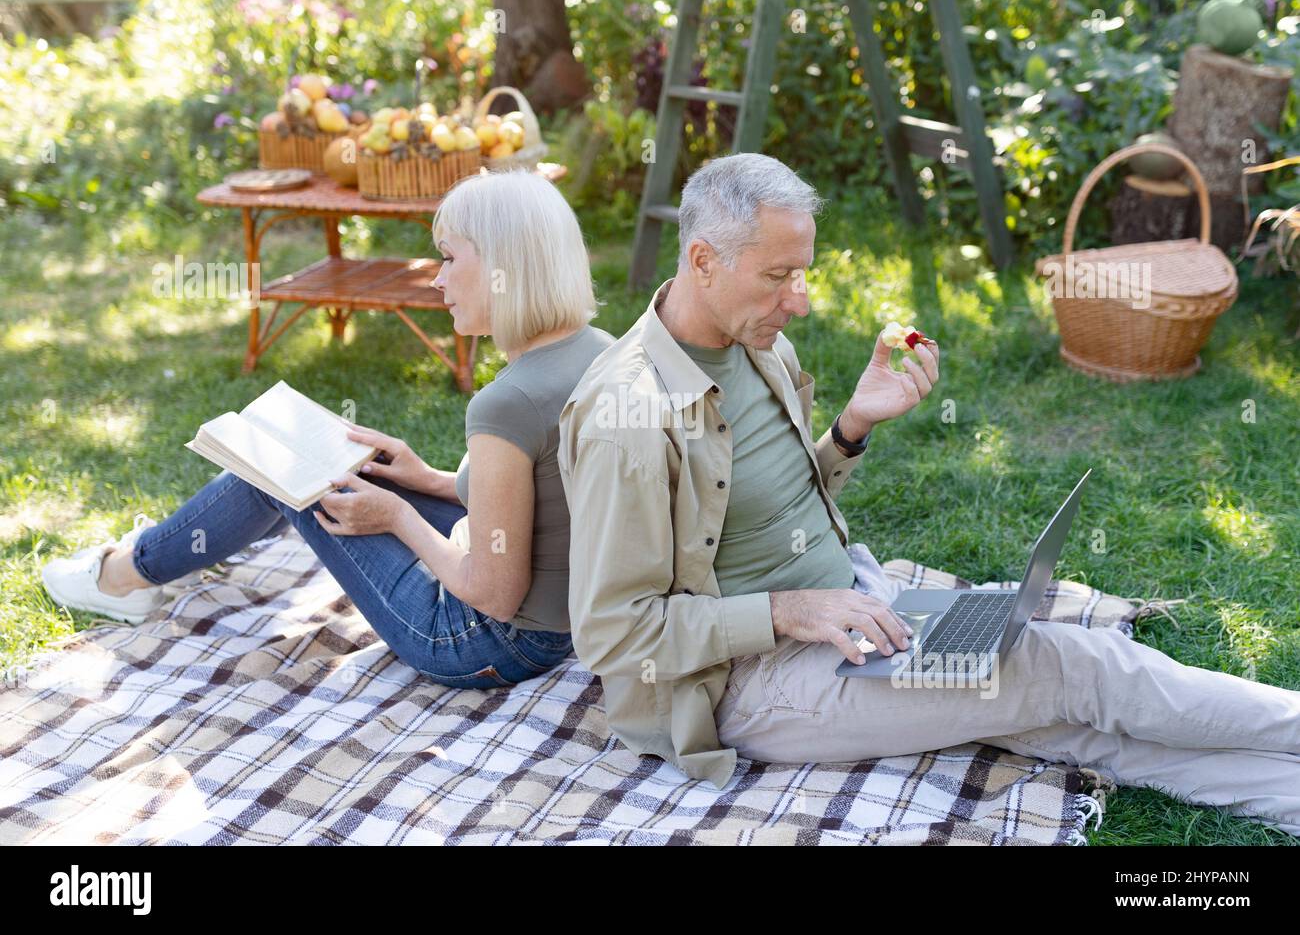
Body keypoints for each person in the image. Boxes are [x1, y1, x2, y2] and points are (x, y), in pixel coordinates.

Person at [557, 152, 1300, 836]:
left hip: (860, 619)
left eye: (803, 272)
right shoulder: (629, 417)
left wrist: (851, 426)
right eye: (779, 276)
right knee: (1073, 668)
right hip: (747, 685)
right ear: (702, 261)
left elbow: (769, 507)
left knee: (1066, 725)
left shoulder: (757, 343)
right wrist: (789, 609)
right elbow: (612, 634)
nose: (802, 300)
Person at [43, 170, 614, 689]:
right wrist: (430, 480)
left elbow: (494, 593)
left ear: (501, 269)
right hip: (565, 620)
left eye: (447, 259)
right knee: (326, 466)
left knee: (276, 468)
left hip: (480, 645)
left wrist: (397, 514)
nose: (437, 280)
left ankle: (121, 578)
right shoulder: (598, 351)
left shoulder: (506, 404)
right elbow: (547, 498)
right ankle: (138, 564)